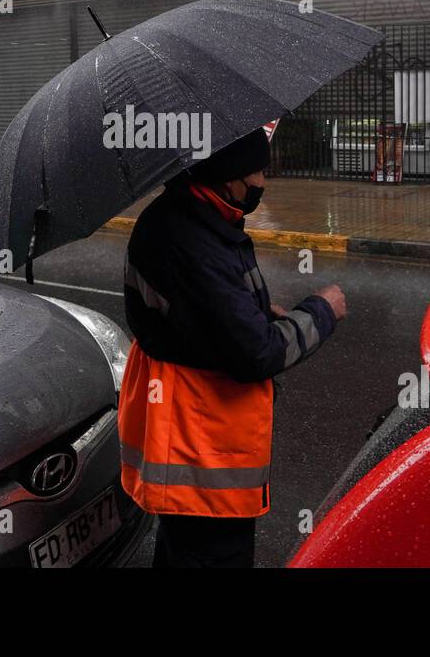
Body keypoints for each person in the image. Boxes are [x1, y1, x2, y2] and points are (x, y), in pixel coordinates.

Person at [118, 128, 346, 567]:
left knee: (182, 550)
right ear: (226, 175)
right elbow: (256, 354)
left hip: (193, 440)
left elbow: (203, 317)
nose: (263, 183)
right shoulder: (191, 239)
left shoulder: (196, 216)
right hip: (199, 451)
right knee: (212, 555)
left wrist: (257, 309)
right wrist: (322, 311)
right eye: (257, 172)